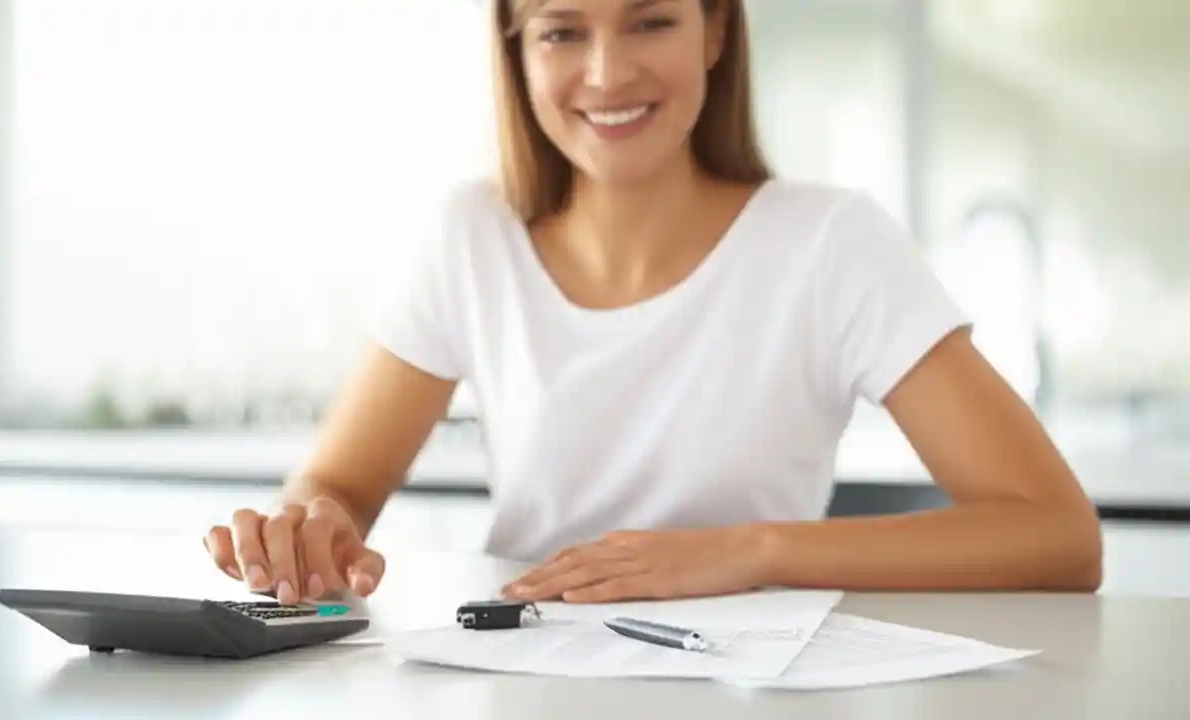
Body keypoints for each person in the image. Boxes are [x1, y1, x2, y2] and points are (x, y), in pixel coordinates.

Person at [203, 0, 1102, 606]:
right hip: (522, 677)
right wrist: (313, 529)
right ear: (515, 50)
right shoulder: (469, 234)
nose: (606, 73)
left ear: (715, 30)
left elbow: (1057, 536)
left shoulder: (832, 243)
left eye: (650, 20)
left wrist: (753, 550)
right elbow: (342, 485)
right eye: (561, 32)